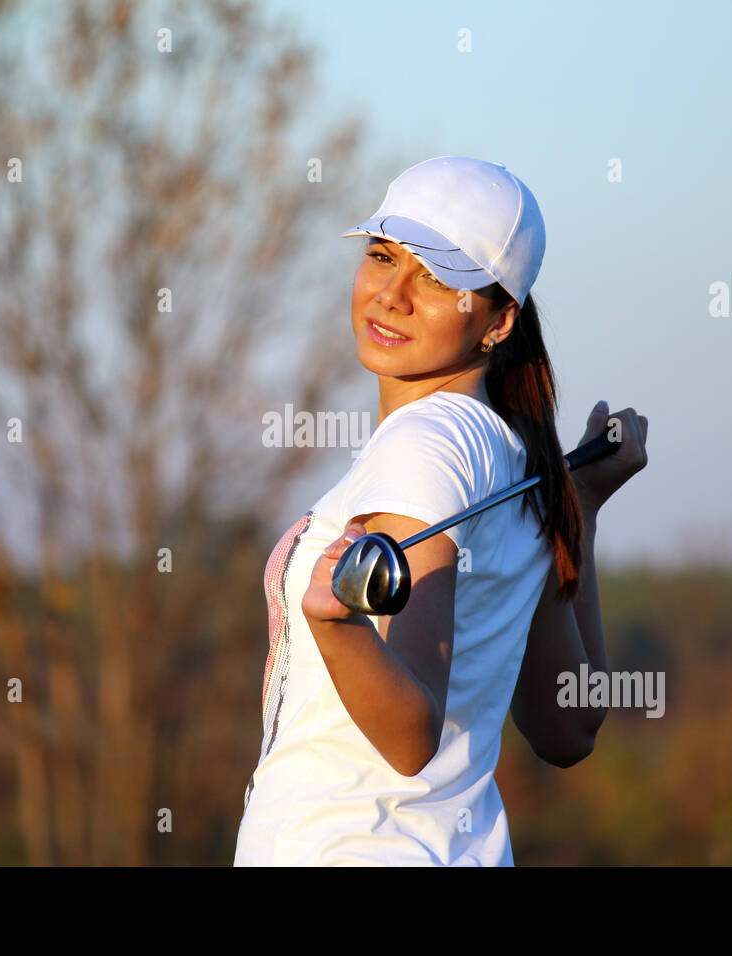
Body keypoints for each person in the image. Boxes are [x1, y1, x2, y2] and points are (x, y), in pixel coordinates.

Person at [233, 156, 648, 866]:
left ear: (499, 320)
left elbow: (409, 733)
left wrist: (335, 627)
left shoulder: (428, 443)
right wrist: (582, 505)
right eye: (381, 256)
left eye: (436, 277)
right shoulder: (517, 461)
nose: (391, 294)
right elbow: (568, 727)